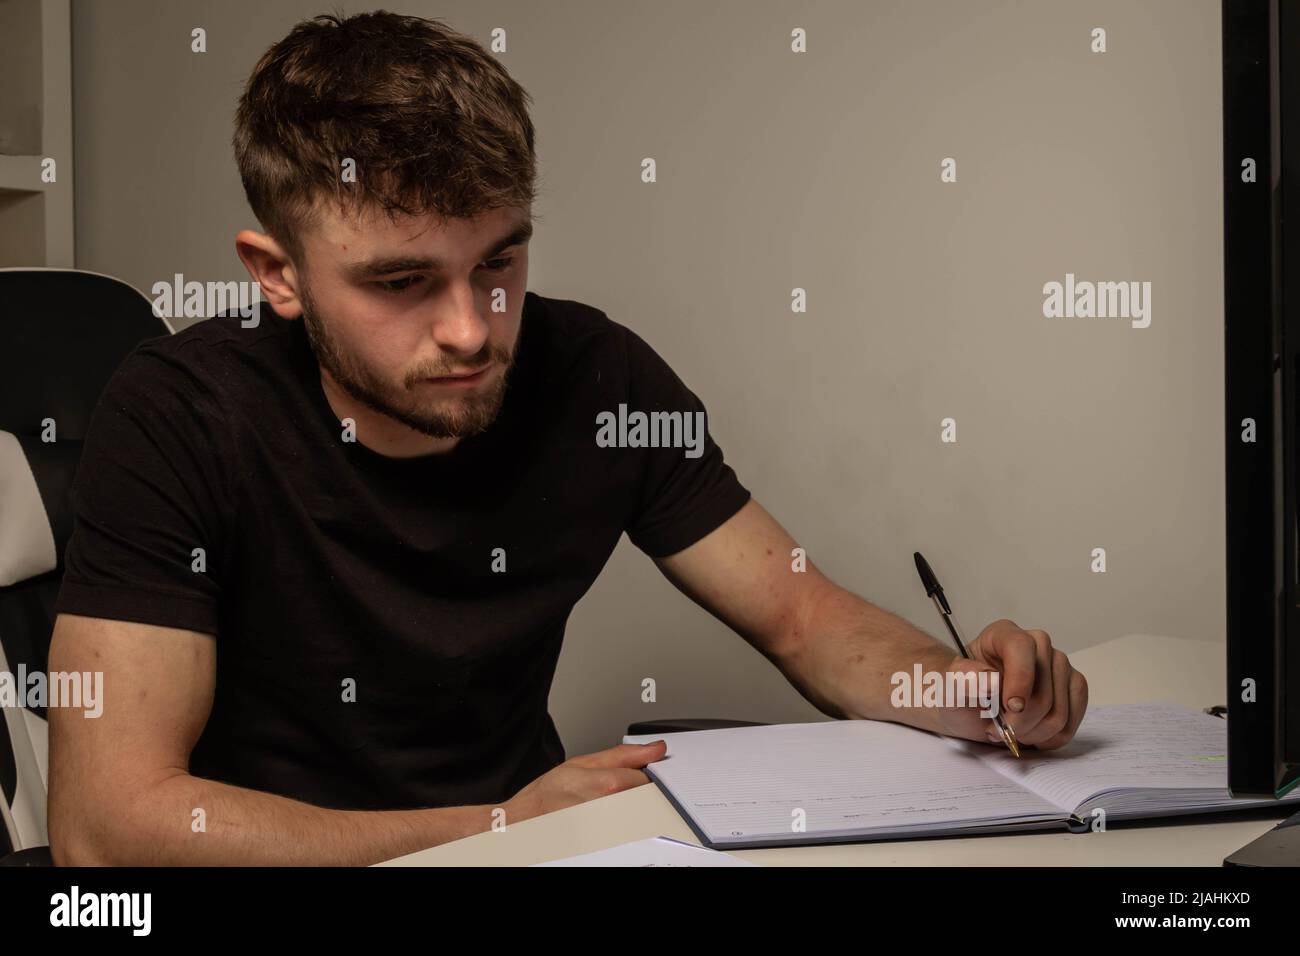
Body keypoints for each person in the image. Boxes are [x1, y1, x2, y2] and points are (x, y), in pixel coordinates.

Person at [47, 11, 1087, 866]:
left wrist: (959, 691)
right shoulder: (177, 416)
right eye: (402, 282)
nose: (471, 327)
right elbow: (110, 824)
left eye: (498, 261)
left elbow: (804, 618)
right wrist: (499, 827)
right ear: (276, 273)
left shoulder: (599, 375)